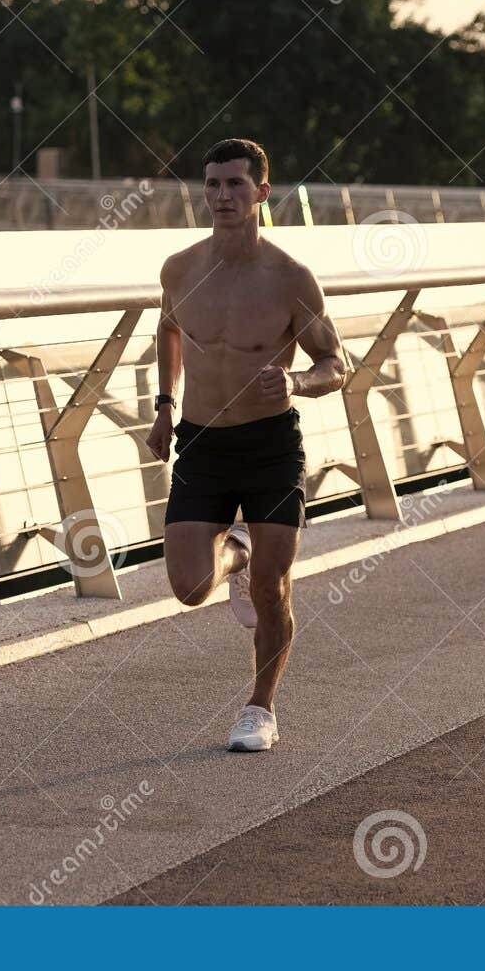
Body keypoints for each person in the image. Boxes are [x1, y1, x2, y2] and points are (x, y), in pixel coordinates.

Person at [145, 138, 346, 753]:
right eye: (213, 185)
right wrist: (164, 407)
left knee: (272, 587)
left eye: (236, 184)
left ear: (262, 192)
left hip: (268, 445)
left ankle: (260, 708)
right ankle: (234, 548)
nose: (223, 196)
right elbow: (169, 328)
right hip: (201, 441)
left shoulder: (289, 279)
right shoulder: (179, 268)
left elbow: (336, 363)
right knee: (186, 588)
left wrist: (298, 381)